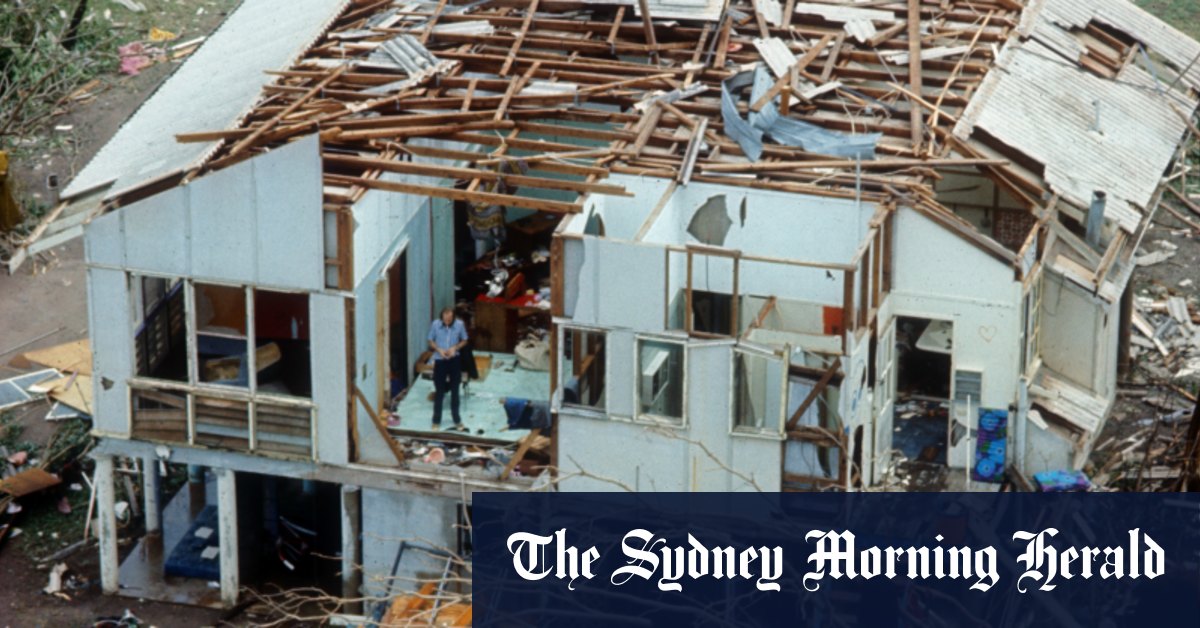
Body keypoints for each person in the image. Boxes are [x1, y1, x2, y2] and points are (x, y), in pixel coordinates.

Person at [428, 307, 469, 430]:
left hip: (454, 360)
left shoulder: (459, 325)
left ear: (453, 318)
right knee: (439, 391)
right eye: (445, 319)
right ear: (442, 317)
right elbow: (430, 340)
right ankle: (436, 420)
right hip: (440, 360)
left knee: (455, 391)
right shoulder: (435, 324)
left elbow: (465, 340)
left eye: (450, 319)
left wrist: (455, 348)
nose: (447, 321)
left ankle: (457, 419)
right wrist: (439, 349)